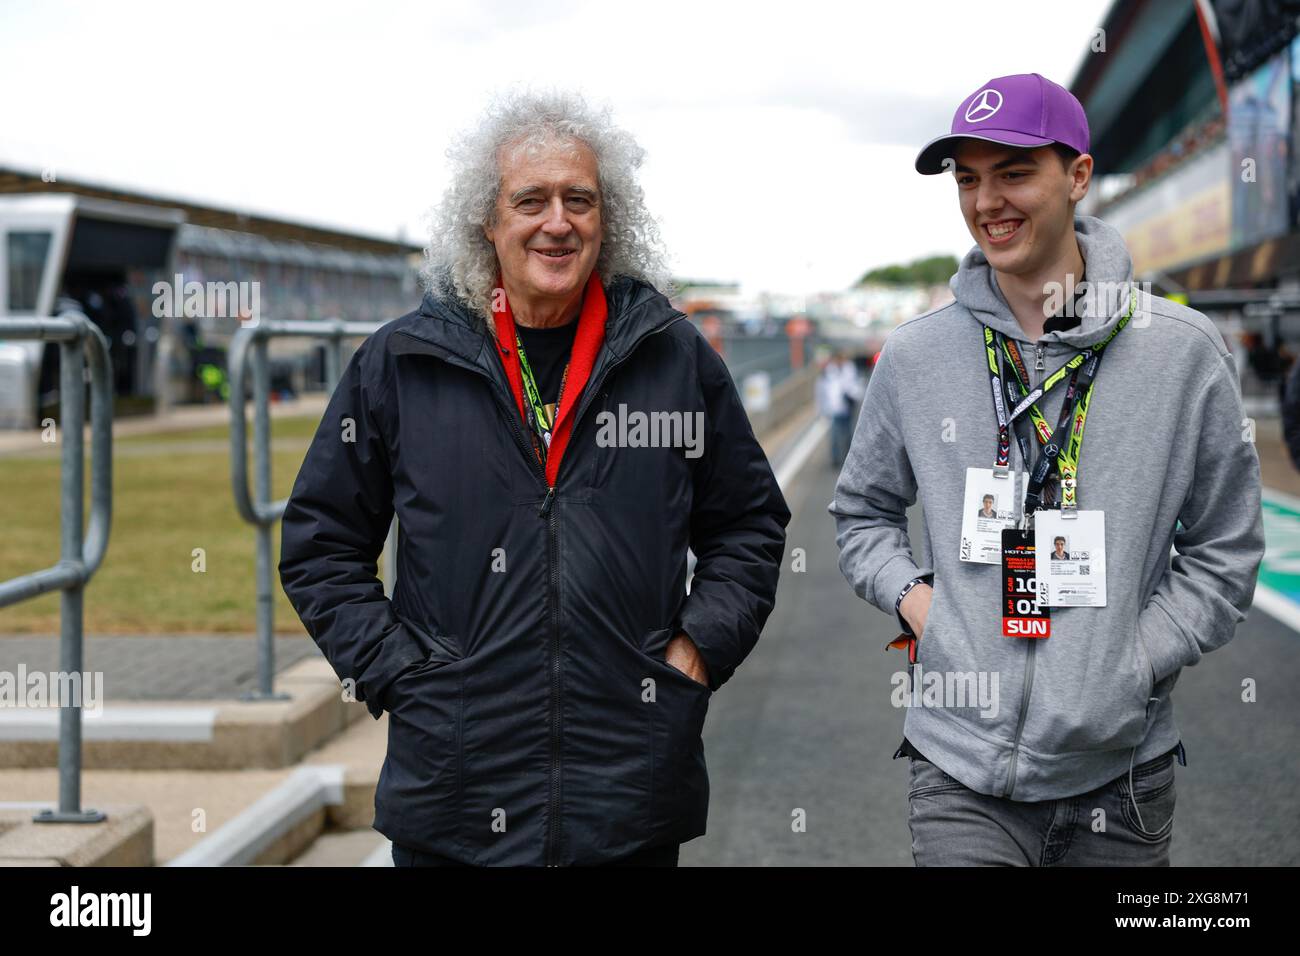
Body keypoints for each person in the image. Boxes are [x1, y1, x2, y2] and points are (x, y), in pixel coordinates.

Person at [278, 90, 790, 867]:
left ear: (605, 219)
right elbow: (320, 545)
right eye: (531, 200)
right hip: (452, 794)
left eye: (578, 200)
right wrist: (399, 674)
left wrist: (696, 651)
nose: (558, 221)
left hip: (630, 794)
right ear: (487, 222)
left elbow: (749, 523)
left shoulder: (672, 355)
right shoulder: (402, 362)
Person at [829, 73, 1265, 866]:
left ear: (1079, 175)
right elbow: (860, 516)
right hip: (957, 768)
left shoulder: (1184, 352)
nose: (986, 200)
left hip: (1122, 777)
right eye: (968, 179)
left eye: (1014, 172)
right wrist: (921, 605)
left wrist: (1138, 657)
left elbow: (1225, 551)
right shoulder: (916, 353)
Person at [816, 349, 864, 467]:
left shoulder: (850, 369)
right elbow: (821, 391)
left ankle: (849, 459)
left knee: (849, 434)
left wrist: (853, 395)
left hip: (848, 407)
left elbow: (856, 386)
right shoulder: (827, 372)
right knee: (835, 435)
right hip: (834, 408)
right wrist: (821, 409)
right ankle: (835, 459)